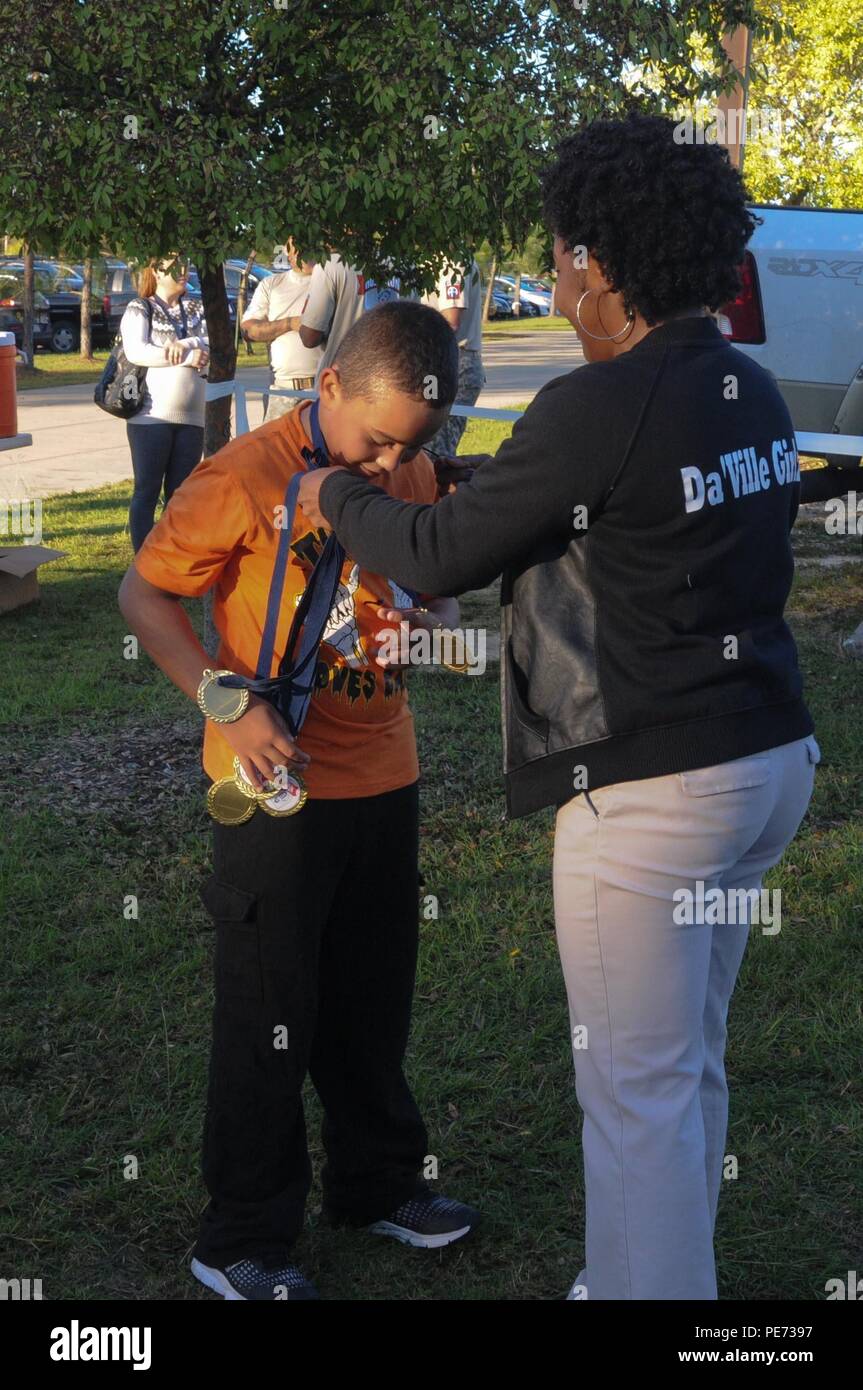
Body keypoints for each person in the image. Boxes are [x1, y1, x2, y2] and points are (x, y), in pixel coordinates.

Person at [297, 113, 820, 1301]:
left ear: (597, 263)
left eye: (559, 253)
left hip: (650, 792)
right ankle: (651, 1277)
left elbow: (434, 553)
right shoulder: (744, 384)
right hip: (762, 761)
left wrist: (335, 489)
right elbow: (624, 514)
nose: (554, 272)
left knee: (631, 1087)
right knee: (681, 1065)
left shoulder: (597, 403)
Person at [118, 300, 480, 1301]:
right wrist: (222, 703)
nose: (387, 468)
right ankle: (240, 1232)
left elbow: (435, 587)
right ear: (326, 389)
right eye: (374, 443)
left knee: (372, 996)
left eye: (409, 448)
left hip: (385, 773)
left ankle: (376, 1183)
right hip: (275, 785)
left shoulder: (403, 461)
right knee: (270, 1008)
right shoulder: (242, 474)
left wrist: (433, 620)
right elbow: (143, 596)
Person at [119, 255, 209, 551]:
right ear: (156, 272)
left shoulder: (196, 306)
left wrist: (188, 344)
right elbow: (137, 351)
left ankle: (173, 559)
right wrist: (186, 357)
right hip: (151, 417)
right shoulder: (140, 307)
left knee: (180, 495)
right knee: (146, 491)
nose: (184, 271)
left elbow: (210, 342)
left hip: (193, 419)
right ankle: (144, 564)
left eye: (186, 264)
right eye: (174, 266)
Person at [241, 237, 321, 422]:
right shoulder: (271, 284)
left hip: (322, 390)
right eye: (290, 248)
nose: (293, 254)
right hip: (282, 390)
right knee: (274, 450)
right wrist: (289, 323)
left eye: (300, 248)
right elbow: (248, 331)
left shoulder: (330, 282)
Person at [299, 252, 400, 383]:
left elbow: (309, 337)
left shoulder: (330, 265)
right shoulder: (405, 265)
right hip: (390, 380)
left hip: (343, 381)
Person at [422, 258, 485, 457]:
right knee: (428, 449)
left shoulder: (451, 263)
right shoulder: (435, 260)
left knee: (436, 453)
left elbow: (451, 321)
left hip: (452, 363)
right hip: (443, 362)